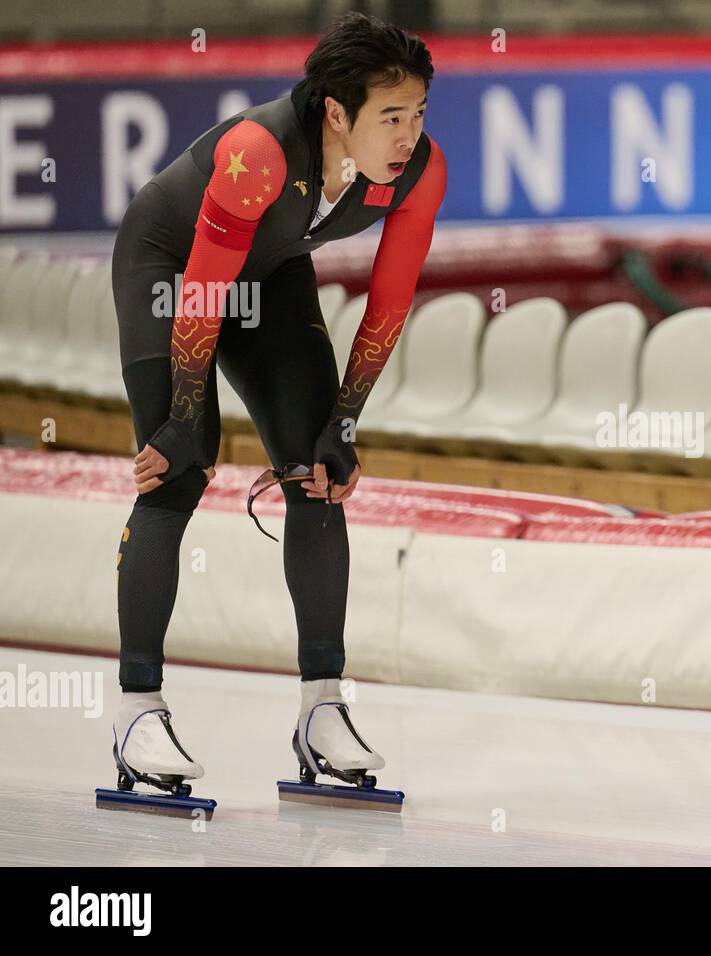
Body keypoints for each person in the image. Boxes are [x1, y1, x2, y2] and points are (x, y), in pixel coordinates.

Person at [104, 12, 446, 813]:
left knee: (316, 471)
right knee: (178, 468)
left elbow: (389, 306)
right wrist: (186, 413)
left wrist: (345, 424)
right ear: (336, 113)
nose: (408, 136)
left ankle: (322, 705)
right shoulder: (259, 156)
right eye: (390, 117)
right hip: (170, 267)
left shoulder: (420, 172)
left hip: (272, 272)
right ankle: (134, 711)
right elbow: (201, 292)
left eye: (419, 113)